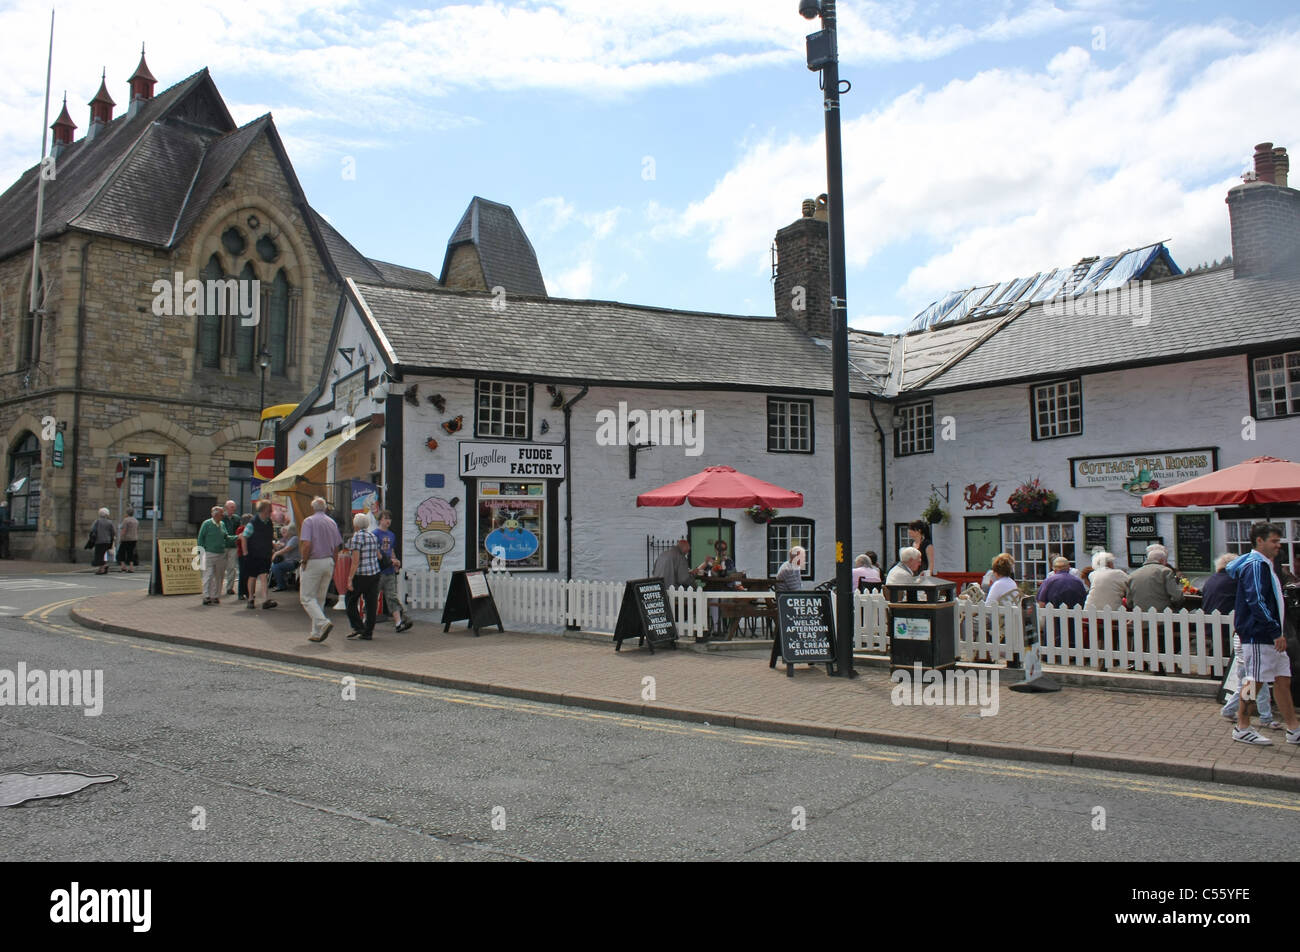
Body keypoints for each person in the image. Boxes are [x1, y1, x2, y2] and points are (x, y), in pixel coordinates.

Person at [1225, 522, 1299, 746]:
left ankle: (1294, 728)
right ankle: (1242, 726)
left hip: (1268, 635)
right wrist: (1275, 631)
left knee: (1282, 680)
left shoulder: (1264, 564)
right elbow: (1256, 599)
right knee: (1253, 682)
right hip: (1259, 636)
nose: (1279, 546)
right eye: (1274, 541)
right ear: (1259, 541)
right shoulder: (1256, 565)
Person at [301, 497, 343, 643]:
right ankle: (316, 632)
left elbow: (306, 544)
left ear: (313, 508)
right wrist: (334, 563)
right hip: (329, 561)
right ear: (325, 508)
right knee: (320, 599)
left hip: (313, 561)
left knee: (306, 597)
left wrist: (304, 561)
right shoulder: (332, 522)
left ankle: (323, 622)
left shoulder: (308, 521)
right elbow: (337, 547)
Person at [372, 510, 413, 632]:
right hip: (378, 570)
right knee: (373, 596)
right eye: (385, 518)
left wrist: (395, 561)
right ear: (380, 520)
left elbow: (391, 549)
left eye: (389, 518)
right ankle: (367, 620)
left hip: (389, 570)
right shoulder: (375, 534)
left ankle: (398, 622)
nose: (388, 521)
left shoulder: (391, 535)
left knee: (391, 596)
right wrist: (389, 561)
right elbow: (376, 552)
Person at [345, 512, 382, 640]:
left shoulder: (356, 538)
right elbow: (378, 555)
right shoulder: (373, 536)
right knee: (371, 603)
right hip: (374, 572)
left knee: (350, 600)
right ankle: (368, 632)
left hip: (361, 574)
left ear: (355, 524)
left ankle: (358, 626)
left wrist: (350, 578)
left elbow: (355, 561)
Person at [1201, 552, 1239, 659]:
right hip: (1228, 626)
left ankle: (1216, 668)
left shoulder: (1211, 579)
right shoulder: (1234, 580)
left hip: (1210, 624)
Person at [196, 506, 237, 605]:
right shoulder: (207, 524)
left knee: (219, 576)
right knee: (208, 575)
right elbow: (200, 538)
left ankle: (215, 596)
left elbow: (226, 537)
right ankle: (206, 596)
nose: (223, 516)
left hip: (220, 554)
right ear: (215, 515)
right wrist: (200, 553)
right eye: (221, 514)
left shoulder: (222, 524)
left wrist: (236, 537)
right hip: (209, 553)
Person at [241, 501, 277, 610]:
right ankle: (251, 599)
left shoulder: (269, 522)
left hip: (265, 554)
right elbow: (244, 537)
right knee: (252, 576)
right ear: (264, 509)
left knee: (263, 576)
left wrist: (273, 547)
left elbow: (268, 537)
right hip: (253, 554)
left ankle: (265, 600)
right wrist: (245, 553)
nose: (271, 510)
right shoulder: (253, 523)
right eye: (269, 508)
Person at [1128, 544, 1184, 611]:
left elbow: (1129, 602)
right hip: (1162, 615)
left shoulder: (1133, 574)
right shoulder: (1165, 571)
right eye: (1166, 561)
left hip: (1140, 616)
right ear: (1161, 560)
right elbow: (1177, 596)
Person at [269, 523, 300, 592]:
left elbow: (287, 549)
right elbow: (281, 548)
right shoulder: (288, 539)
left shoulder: (295, 538)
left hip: (293, 561)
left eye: (287, 531)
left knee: (276, 567)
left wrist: (276, 553)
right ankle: (280, 583)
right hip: (287, 560)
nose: (285, 533)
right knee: (274, 565)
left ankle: (281, 585)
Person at [221, 500, 240, 596]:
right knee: (220, 568)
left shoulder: (236, 518)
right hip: (223, 546)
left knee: (232, 567)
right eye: (232, 507)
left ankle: (229, 588)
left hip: (233, 546)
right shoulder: (221, 518)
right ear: (226, 508)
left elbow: (239, 530)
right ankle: (218, 588)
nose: (234, 509)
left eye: (234, 507)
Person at [90, 507, 116, 574]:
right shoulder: (110, 522)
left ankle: (103, 567)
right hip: (107, 541)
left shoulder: (97, 521)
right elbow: (113, 532)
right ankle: (102, 568)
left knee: (99, 555)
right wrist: (112, 538)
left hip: (99, 541)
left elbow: (93, 530)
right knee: (102, 554)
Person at [117, 508, 139, 573]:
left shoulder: (126, 520)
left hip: (126, 539)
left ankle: (123, 566)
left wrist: (121, 538)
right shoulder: (136, 520)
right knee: (130, 553)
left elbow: (124, 530)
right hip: (134, 538)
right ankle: (131, 567)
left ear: (127, 513)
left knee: (121, 552)